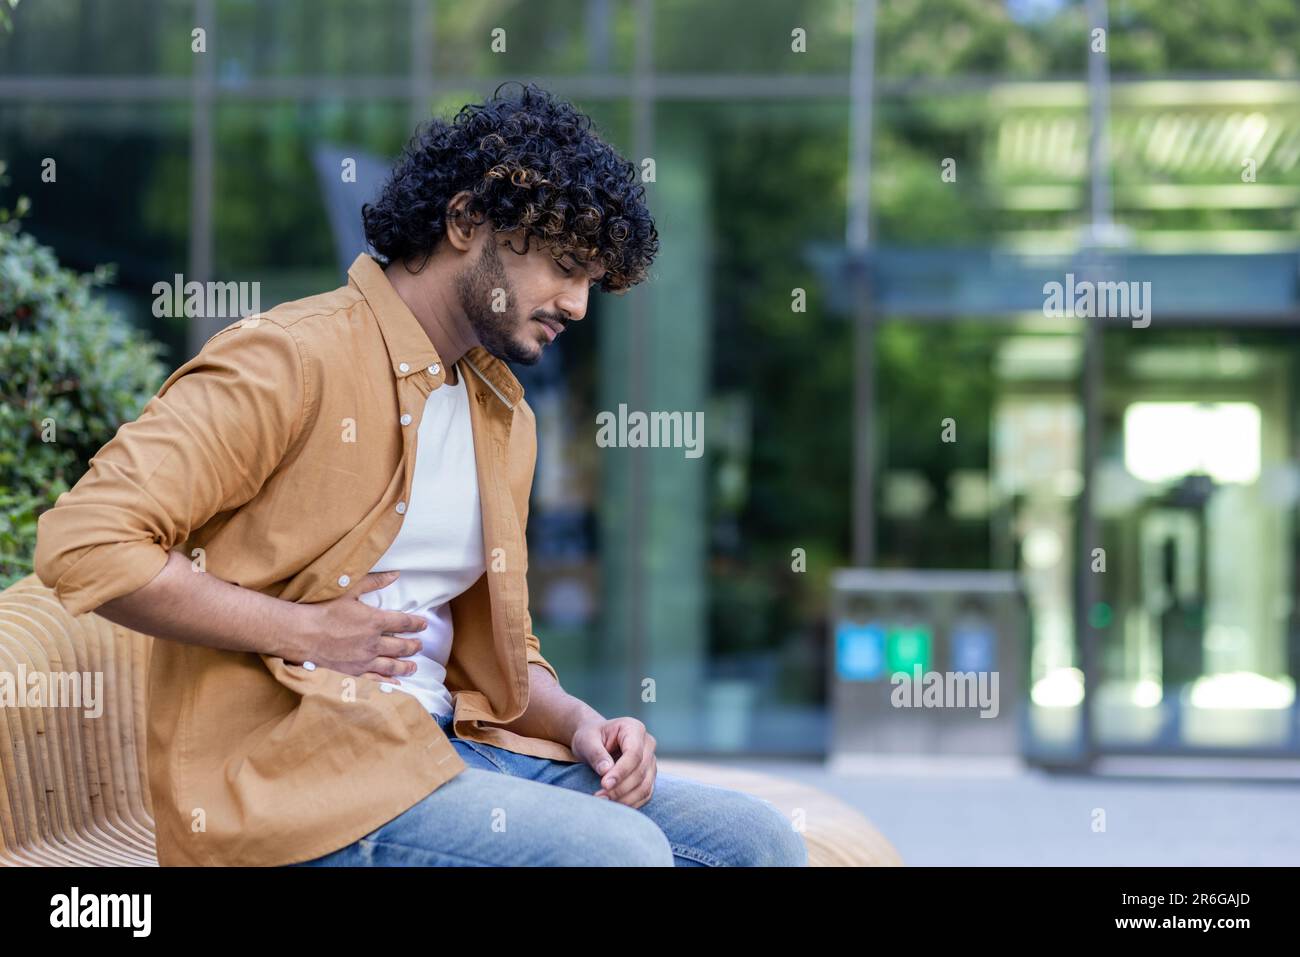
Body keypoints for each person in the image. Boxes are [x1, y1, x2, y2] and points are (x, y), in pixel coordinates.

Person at [35, 81, 807, 868]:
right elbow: (85, 542)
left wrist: (579, 721)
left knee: (758, 842)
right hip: (300, 786)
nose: (577, 304)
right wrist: (302, 629)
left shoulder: (500, 408)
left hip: (453, 749)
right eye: (565, 266)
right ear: (466, 220)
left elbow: (492, 642)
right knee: (617, 855)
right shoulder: (290, 358)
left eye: (592, 281)